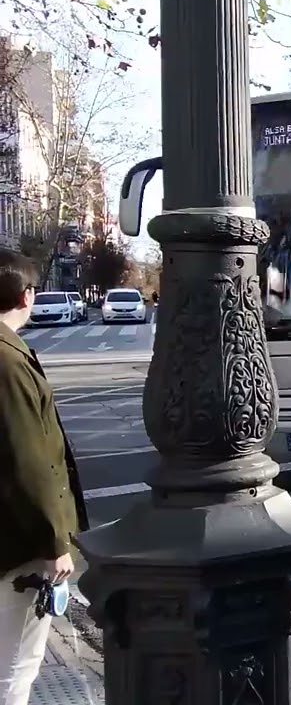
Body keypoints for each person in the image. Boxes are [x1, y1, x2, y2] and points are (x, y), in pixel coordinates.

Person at [0, 249, 88, 705]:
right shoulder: (7, 361)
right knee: (16, 664)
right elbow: (28, 461)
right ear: (26, 296)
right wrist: (54, 545)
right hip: (19, 545)